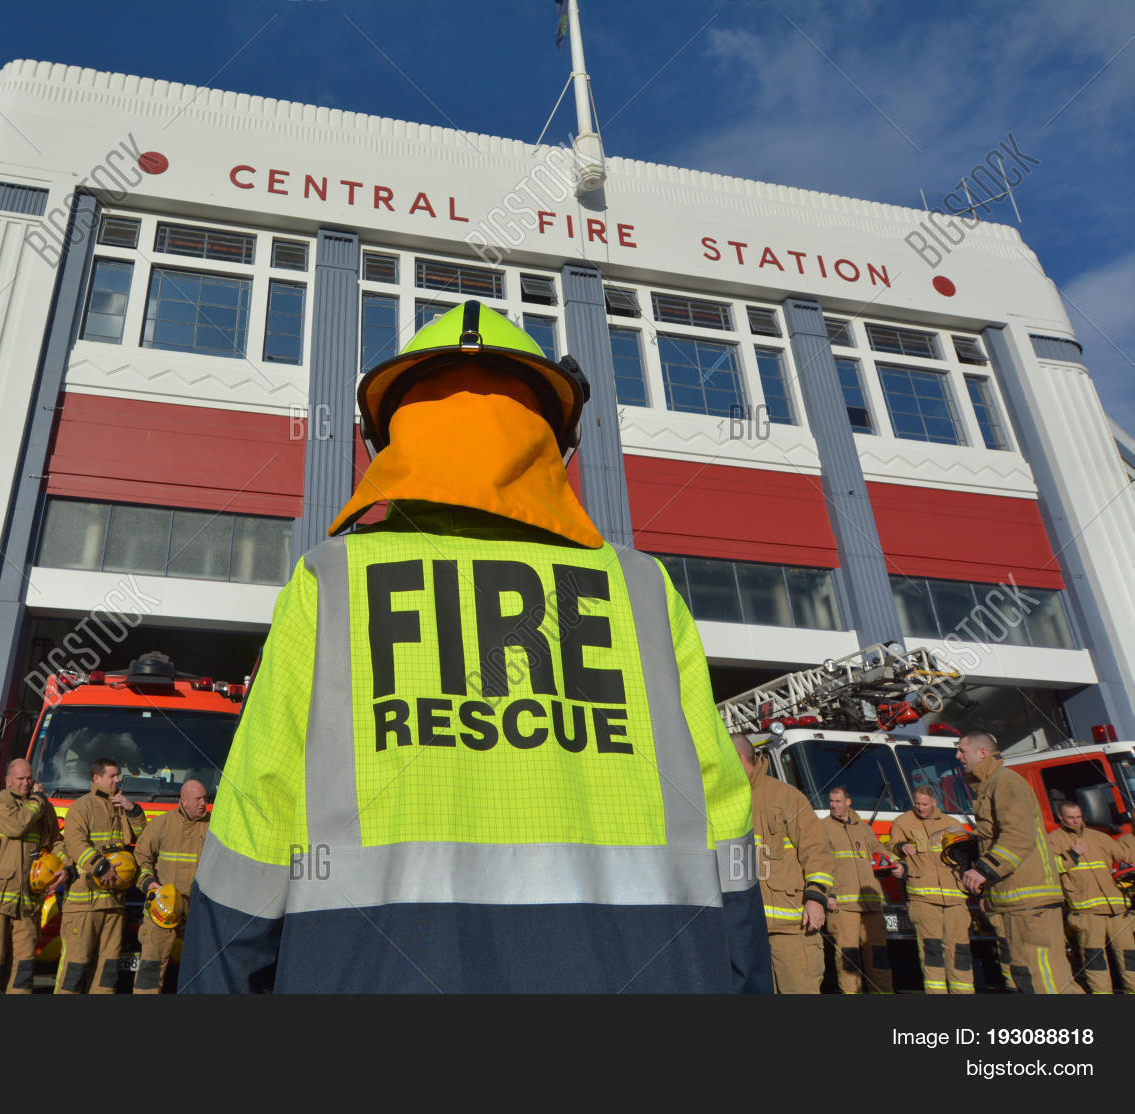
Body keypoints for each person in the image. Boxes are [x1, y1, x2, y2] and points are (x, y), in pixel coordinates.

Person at [180, 300, 767, 993]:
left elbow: (256, 826)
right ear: (554, 444)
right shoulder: (642, 590)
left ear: (389, 444)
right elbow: (724, 818)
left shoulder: (331, 583)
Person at [957, 732, 1078, 994]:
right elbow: (998, 836)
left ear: (982, 753)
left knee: (1044, 979)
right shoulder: (991, 785)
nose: (958, 756)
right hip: (1017, 902)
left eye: (962, 750)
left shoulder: (1006, 782)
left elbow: (1018, 835)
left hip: (1029, 901)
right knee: (1037, 977)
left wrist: (983, 870)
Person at [732, 733, 831, 993]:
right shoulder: (725, 801)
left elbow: (816, 849)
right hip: (746, 932)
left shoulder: (786, 797)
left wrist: (816, 897)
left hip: (792, 930)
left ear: (738, 758)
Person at [0, 759, 68, 993]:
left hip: (28, 903)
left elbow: (55, 842)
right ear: (8, 781)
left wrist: (63, 865)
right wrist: (39, 800)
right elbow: (16, 826)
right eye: (20, 779)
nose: (26, 783)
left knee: (23, 968)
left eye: (29, 778)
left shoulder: (42, 806)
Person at [56, 757, 144, 994]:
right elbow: (75, 844)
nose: (117, 780)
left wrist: (132, 810)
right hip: (83, 903)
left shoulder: (121, 807)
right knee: (74, 970)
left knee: (107, 972)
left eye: (118, 776)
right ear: (96, 778)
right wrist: (101, 867)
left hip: (113, 904)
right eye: (112, 776)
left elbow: (142, 837)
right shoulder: (81, 807)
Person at [889, 785, 973, 993]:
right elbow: (889, 848)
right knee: (932, 951)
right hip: (923, 898)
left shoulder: (952, 824)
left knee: (961, 951)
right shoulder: (902, 822)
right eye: (917, 803)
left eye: (924, 804)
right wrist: (900, 848)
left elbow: (965, 856)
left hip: (955, 899)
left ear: (935, 803)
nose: (920, 808)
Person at [130, 779, 209, 994]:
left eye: (205, 798)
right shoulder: (162, 824)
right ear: (184, 800)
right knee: (151, 966)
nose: (203, 803)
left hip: (197, 911)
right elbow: (141, 857)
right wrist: (148, 883)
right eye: (198, 799)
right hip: (161, 908)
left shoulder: (213, 827)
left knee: (201, 969)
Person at [820, 786, 901, 993]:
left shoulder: (863, 828)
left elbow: (878, 849)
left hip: (871, 904)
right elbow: (821, 863)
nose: (833, 805)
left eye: (838, 801)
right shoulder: (823, 828)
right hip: (844, 904)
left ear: (848, 802)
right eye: (831, 802)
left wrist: (896, 863)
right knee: (849, 958)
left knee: (879, 955)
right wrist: (828, 894)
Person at [1047, 801, 1134, 994]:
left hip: (1116, 909)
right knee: (1095, 960)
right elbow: (1049, 869)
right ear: (1060, 817)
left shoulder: (1099, 837)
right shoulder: (1053, 840)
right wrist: (1073, 854)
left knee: (1129, 956)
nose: (1076, 821)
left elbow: (1125, 857)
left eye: (1079, 817)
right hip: (1086, 912)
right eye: (1071, 817)